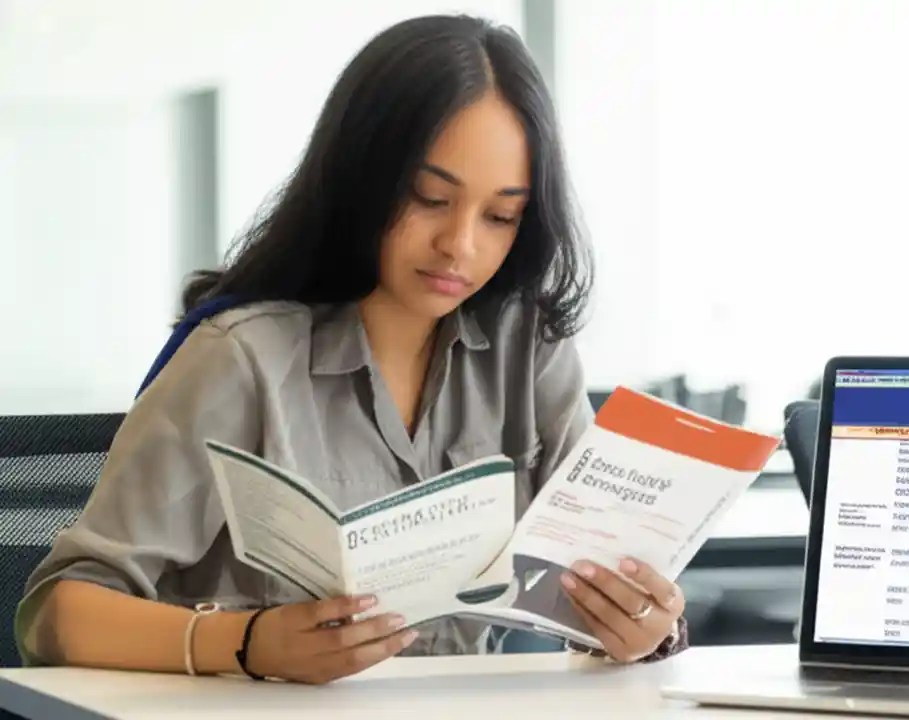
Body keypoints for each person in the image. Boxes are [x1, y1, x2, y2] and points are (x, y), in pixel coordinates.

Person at [15, 14, 688, 684]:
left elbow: (583, 584)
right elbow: (56, 615)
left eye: (500, 216)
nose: (461, 245)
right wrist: (245, 643)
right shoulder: (241, 359)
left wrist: (639, 625)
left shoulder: (527, 354)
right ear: (361, 179)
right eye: (430, 198)